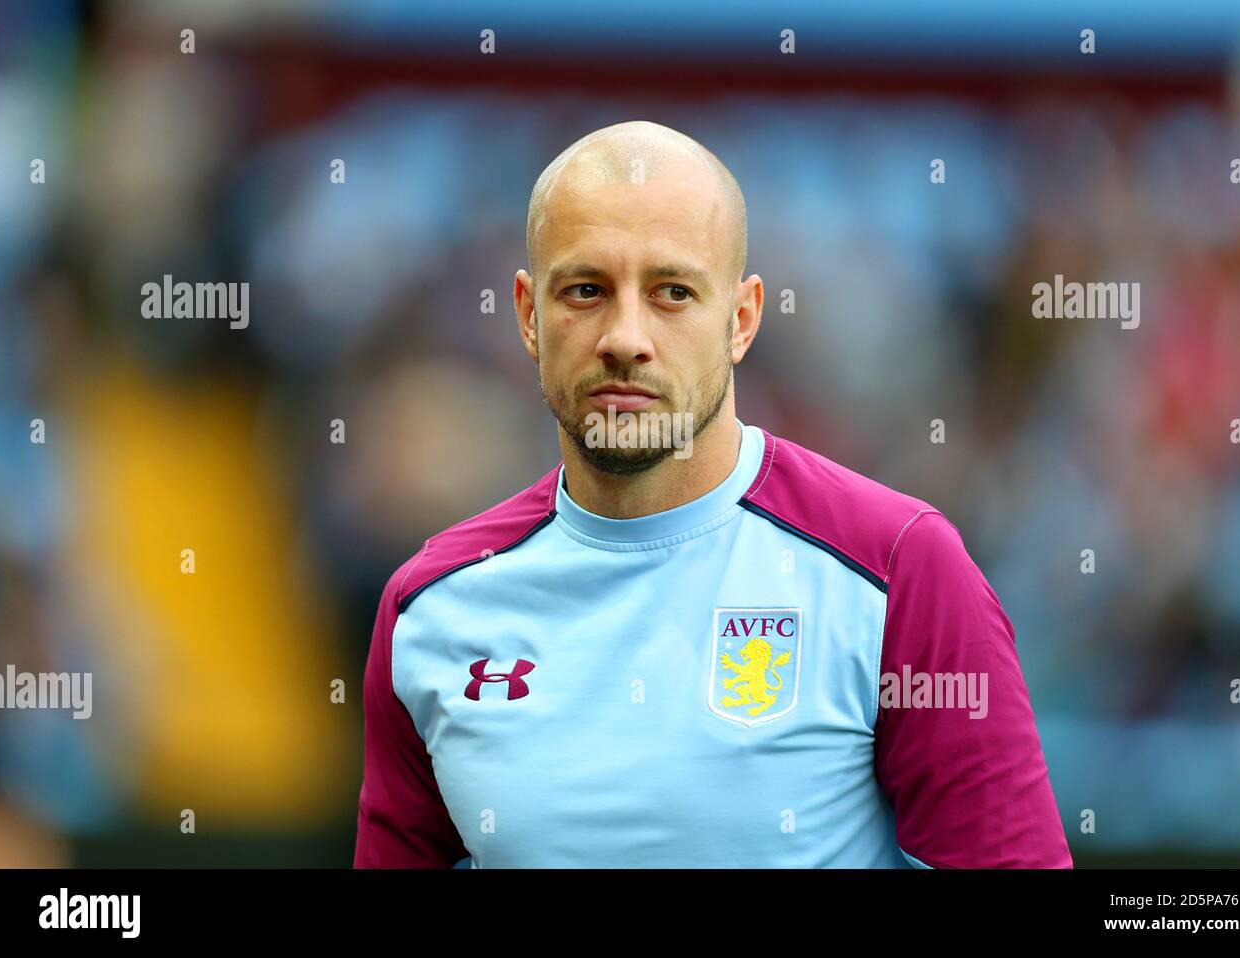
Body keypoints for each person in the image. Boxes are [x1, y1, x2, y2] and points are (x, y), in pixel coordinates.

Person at [354, 120, 1072, 868]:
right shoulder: (432, 612)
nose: (625, 336)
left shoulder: (898, 571)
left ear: (742, 318)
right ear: (530, 316)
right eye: (587, 290)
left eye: (671, 292)